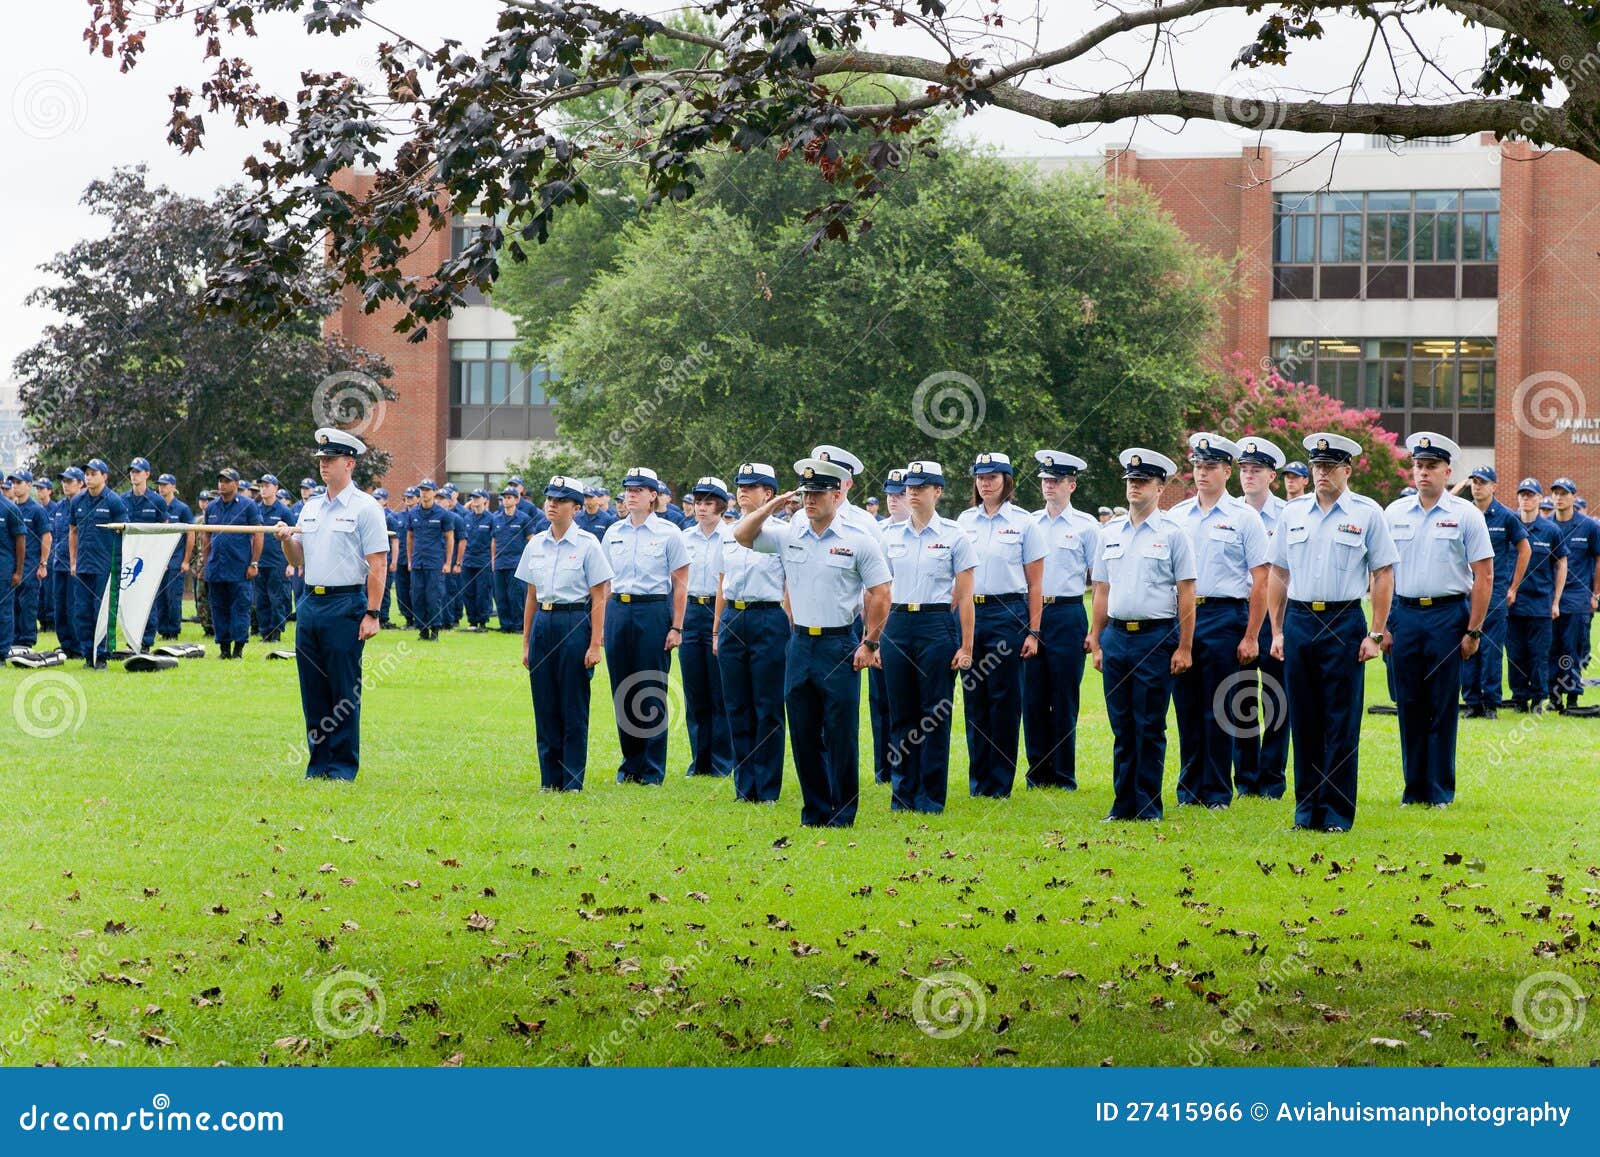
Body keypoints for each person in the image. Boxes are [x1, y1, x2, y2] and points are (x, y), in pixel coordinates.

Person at [735, 457, 890, 827]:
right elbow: (743, 535)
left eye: (818, 494)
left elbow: (881, 592)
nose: (810, 501)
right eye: (805, 494)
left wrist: (869, 643)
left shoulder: (858, 541)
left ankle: (843, 812)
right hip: (800, 644)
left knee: (840, 734)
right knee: (803, 733)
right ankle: (816, 810)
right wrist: (772, 506)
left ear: (837, 495)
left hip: (839, 644)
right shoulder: (790, 535)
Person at [1267, 433, 1397, 833]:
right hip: (1301, 619)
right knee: (1303, 720)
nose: (1321, 473)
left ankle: (1337, 814)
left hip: (1343, 621)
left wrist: (1375, 634)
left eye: (1329, 467)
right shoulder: (1293, 513)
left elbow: (1383, 573)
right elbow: (1278, 572)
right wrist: (1276, 630)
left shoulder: (1367, 512)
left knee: (1340, 721)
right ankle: (1306, 812)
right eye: (1316, 466)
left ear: (1347, 470)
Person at [1382, 433, 1492, 809]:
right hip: (1405, 614)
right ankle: (1414, 790)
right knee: (1409, 704)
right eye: (1418, 466)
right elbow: (1381, 573)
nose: (1423, 473)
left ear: (1448, 471)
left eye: (1431, 467)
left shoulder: (1466, 515)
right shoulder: (1393, 514)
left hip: (1448, 615)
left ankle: (1440, 791)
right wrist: (1383, 625)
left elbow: (1484, 576)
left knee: (1443, 705)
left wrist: (1473, 630)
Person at [273, 429, 389, 780]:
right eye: (321, 460)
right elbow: (298, 558)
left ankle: (341, 766)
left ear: (349, 463)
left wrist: (372, 612)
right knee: (313, 689)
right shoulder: (310, 507)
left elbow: (378, 563)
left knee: (343, 689)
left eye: (331, 459)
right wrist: (286, 539)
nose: (324, 465)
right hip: (310, 600)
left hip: (346, 603)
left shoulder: (365, 508)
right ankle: (318, 764)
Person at [1089, 448, 1196, 821]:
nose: (1134, 487)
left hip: (1155, 637)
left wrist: (1184, 646)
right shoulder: (1108, 534)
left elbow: (1186, 592)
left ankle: (1148, 804)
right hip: (1117, 636)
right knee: (1122, 725)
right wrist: (1096, 639)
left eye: (1143, 481)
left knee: (1149, 724)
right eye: (1131, 481)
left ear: (1160, 486)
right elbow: (1102, 589)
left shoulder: (1172, 534)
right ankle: (1123, 805)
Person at [1170, 433, 1270, 810]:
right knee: (1186, 706)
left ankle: (1216, 791)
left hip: (1224, 615)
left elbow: (1260, 578)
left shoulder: (1244, 518)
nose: (1202, 473)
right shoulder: (1176, 516)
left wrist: (1251, 635)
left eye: (1210, 466)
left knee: (1219, 707)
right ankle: (1189, 789)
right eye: (1197, 466)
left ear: (1227, 471)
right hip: (1183, 615)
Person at [880, 459, 975, 813]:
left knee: (933, 713)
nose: (914, 493)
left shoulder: (954, 535)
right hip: (897, 624)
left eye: (922, 487)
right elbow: (877, 592)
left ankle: (930, 796)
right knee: (901, 713)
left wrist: (966, 646)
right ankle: (903, 793)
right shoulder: (888, 536)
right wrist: (872, 639)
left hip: (936, 624)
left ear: (938, 491)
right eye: (910, 487)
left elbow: (965, 596)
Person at [957, 451, 1044, 799]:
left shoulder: (1024, 523)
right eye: (980, 477)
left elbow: (1036, 584)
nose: (985, 482)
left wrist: (1033, 631)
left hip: (1007, 613)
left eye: (993, 476)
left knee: (1004, 700)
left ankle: (1000, 783)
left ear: (1006, 481)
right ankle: (979, 782)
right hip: (970, 614)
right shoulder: (963, 521)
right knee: (974, 698)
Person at [518, 476, 612, 791]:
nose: (552, 505)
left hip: (574, 622)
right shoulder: (535, 544)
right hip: (544, 624)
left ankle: (571, 779)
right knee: (544, 705)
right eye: (549, 499)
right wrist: (526, 642)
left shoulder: (588, 544)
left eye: (560, 500)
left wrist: (595, 643)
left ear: (576, 507)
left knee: (573, 704)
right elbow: (531, 596)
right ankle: (549, 779)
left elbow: (600, 596)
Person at [601, 466, 689, 786]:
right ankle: (631, 764)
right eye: (628, 488)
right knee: (622, 689)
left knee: (650, 689)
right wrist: (600, 625)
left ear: (653, 496)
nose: (631, 494)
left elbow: (680, 585)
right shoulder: (613, 533)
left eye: (639, 489)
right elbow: (605, 583)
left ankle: (652, 768)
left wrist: (676, 626)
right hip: (618, 611)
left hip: (653, 611)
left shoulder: (670, 533)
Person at [714, 463, 790, 804]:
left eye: (753, 485)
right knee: (737, 705)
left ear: (769, 494)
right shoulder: (726, 532)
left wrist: (786, 623)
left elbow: (791, 584)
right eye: (740, 485)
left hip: (767, 618)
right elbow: (721, 584)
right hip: (734, 617)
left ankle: (767, 786)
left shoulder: (782, 534)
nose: (743, 490)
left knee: (768, 705)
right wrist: (717, 630)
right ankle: (744, 786)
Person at [1023, 450, 1097, 791]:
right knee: (1033, 697)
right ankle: (1038, 773)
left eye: (1056, 481)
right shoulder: (1029, 523)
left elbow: (1100, 580)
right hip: (1034, 614)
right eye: (1045, 480)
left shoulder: (1086, 526)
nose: (1048, 486)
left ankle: (1064, 774)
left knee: (1064, 696)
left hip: (1068, 612)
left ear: (1072, 485)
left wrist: (1095, 630)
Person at [1233, 436, 1291, 797]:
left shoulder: (1287, 515)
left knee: (1275, 698)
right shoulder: (1231, 513)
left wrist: (1279, 627)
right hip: (1237, 613)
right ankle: (1246, 779)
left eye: (1256, 470)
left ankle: (1272, 778)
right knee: (1239, 698)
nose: (1249, 476)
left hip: (1276, 617)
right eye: (1244, 470)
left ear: (1272, 476)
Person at [1460, 466, 1528, 719]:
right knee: (1466, 643)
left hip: (1494, 591)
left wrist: (1513, 587)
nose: (1477, 486)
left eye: (1483, 482)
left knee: (1490, 648)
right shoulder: (1462, 513)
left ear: (1494, 486)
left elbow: (1525, 550)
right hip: (1465, 590)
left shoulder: (1506, 516)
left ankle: (1490, 703)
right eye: (1474, 482)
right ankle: (1472, 701)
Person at [679, 477, 735, 778]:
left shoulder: (732, 536)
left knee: (719, 690)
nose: (701, 507)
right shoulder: (685, 537)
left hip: (718, 610)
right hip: (690, 612)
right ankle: (699, 760)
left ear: (721, 506)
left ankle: (722, 761)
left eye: (708, 502)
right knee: (694, 690)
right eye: (698, 502)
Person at [1506, 479, 1565, 713]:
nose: (1526, 499)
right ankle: (1519, 698)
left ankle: (1538, 699)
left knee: (1539, 655)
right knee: (1515, 654)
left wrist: (1556, 601)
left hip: (1540, 603)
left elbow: (1561, 564)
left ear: (1540, 499)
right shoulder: (1510, 525)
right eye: (1522, 495)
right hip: (1513, 603)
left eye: (1531, 495)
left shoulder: (1551, 530)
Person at [67, 459, 130, 668]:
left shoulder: (114, 501)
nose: (89, 477)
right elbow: (73, 532)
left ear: (105, 476)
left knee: (101, 612)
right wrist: (73, 561)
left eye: (94, 473)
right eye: (87, 473)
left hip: (106, 566)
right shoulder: (78, 501)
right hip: (84, 565)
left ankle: (101, 656)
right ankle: (88, 655)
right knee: (82, 612)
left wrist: (120, 564)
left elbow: (125, 533)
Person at [1547, 477, 1600, 715]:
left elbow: (1598, 560)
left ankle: (1572, 697)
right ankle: (1553, 696)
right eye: (1555, 493)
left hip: (1578, 596)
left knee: (1573, 649)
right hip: (1550, 596)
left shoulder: (1588, 526)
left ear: (1573, 497)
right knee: (1551, 648)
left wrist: (1595, 593)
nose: (1559, 497)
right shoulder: (1546, 525)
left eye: (1564, 493)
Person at [202, 468, 262, 659]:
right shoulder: (211, 507)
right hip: (217, 567)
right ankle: (224, 649)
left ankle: (238, 649)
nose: (222, 484)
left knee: (240, 608)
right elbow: (206, 535)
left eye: (227, 481)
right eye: (220, 481)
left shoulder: (248, 506)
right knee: (218, 608)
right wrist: (206, 561)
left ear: (236, 484)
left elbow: (258, 534)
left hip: (239, 568)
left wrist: (254, 563)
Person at [117, 457, 170, 652]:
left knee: (148, 599)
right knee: (129, 600)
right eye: (132, 471)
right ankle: (132, 639)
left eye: (138, 471)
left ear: (147, 474)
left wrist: (161, 558)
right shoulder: (122, 500)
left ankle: (146, 641)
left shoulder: (156, 500)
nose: (134, 475)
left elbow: (164, 530)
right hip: (128, 557)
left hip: (149, 558)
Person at [406, 479, 454, 641]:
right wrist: (410, 560)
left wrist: (448, 562)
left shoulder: (443, 514)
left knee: (433, 597)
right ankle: (422, 629)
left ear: (434, 492)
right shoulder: (413, 513)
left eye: (427, 490)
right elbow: (410, 537)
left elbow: (450, 538)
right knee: (417, 596)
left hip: (434, 562)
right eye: (422, 490)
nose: (424, 493)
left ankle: (435, 629)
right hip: (418, 561)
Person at [8, 470, 50, 652]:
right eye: (14, 483)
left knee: (28, 606)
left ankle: (26, 642)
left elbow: (47, 537)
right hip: (13, 567)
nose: (15, 486)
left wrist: (43, 564)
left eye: (19, 482)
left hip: (31, 566)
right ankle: (13, 640)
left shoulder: (37, 510)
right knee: (13, 606)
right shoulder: (10, 508)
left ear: (29, 485)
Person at [253, 474, 294, 642]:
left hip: (278, 562)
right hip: (260, 561)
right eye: (261, 486)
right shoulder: (256, 509)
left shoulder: (284, 511)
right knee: (260, 599)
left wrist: (291, 564)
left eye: (267, 486)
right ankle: (264, 632)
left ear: (275, 488)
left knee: (277, 599)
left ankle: (275, 633)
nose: (263, 489)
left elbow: (293, 536)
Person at [491, 487, 537, 633]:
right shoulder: (496, 518)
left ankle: (518, 625)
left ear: (517, 500)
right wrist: (493, 560)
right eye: (504, 497)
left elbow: (531, 540)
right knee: (500, 595)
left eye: (510, 497)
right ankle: (505, 625)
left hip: (516, 563)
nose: (506, 500)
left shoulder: (523, 518)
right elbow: (494, 540)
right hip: (500, 563)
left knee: (515, 595)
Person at [51, 468, 86, 658]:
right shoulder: (60, 506)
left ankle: (79, 646)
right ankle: (65, 644)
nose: (65, 484)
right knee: (60, 606)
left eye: (69, 481)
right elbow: (56, 535)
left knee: (76, 606)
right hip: (59, 563)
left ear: (80, 483)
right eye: (63, 480)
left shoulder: (85, 505)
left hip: (79, 565)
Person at [154, 474, 193, 640]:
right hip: (158, 560)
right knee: (159, 598)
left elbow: (190, 533)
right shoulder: (156, 505)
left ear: (172, 486)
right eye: (159, 485)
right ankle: (162, 630)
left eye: (164, 484)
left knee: (173, 597)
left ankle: (173, 630)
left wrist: (186, 560)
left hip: (176, 560)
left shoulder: (182, 509)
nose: (161, 488)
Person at [458, 489, 495, 631]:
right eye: (473, 497)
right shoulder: (466, 517)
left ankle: (482, 621)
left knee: (482, 592)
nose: (475, 500)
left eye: (478, 498)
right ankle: (472, 621)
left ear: (485, 500)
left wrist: (492, 561)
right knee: (468, 592)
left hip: (483, 561)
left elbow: (493, 541)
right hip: (468, 560)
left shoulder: (491, 519)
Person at [0, 485, 22, 657]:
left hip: (4, 569)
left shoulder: (10, 508)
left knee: (4, 612)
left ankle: (1, 652)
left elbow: (20, 541)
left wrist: (18, 572)